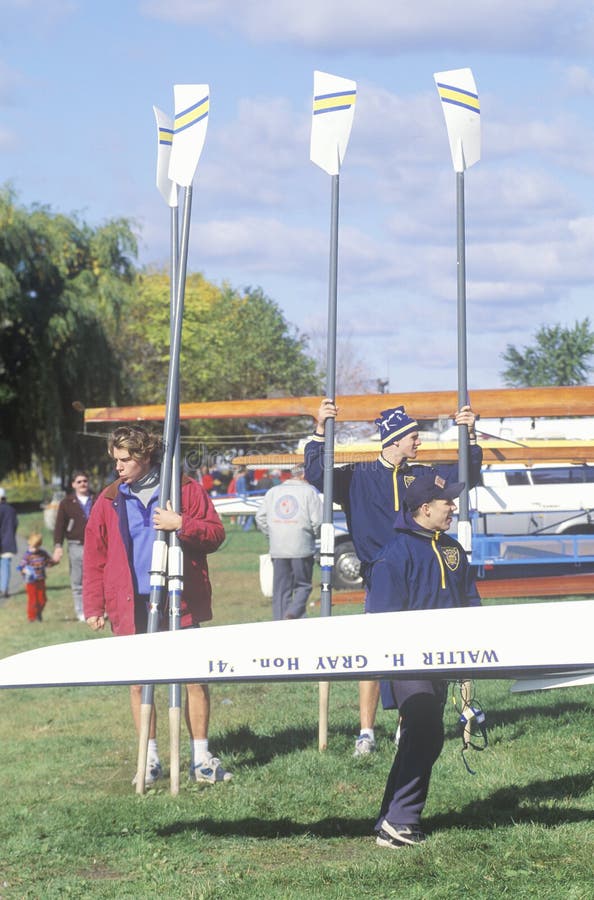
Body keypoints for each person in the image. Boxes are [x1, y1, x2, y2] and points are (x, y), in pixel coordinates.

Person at [304, 399, 482, 756]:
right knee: (376, 650)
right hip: (382, 574)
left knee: (417, 648)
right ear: (395, 439)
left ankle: (408, 722)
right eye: (414, 436)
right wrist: (320, 431)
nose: (419, 442)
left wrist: (470, 433)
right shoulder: (359, 477)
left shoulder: (423, 476)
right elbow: (315, 473)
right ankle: (366, 731)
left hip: (422, 572)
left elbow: (465, 473)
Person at [83, 425, 232, 787]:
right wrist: (93, 605)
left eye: (124, 459)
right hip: (131, 601)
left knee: (193, 678)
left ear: (144, 456)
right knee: (139, 682)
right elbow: (95, 555)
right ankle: (148, 760)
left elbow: (215, 534)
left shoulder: (183, 490)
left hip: (178, 596)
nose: (117, 466)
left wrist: (181, 523)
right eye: (115, 460)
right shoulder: (108, 499)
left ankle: (200, 758)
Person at [367, 472, 480, 848]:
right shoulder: (393, 556)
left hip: (444, 663)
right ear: (424, 508)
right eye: (446, 501)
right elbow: (380, 621)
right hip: (407, 664)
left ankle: (390, 816)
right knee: (427, 733)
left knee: (420, 737)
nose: (453, 506)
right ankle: (401, 822)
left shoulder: (453, 549)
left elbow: (470, 603)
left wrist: (471, 656)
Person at [255, 465, 323, 620]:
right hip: (302, 546)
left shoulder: (273, 492)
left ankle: (280, 620)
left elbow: (260, 517)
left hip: (278, 548)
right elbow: (318, 521)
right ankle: (293, 612)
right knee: (303, 586)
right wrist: (313, 535)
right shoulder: (309, 492)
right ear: (304, 474)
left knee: (281, 590)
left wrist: (272, 534)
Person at [53, 470, 94, 621]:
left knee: (97, 578)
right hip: (76, 545)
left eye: (85, 481)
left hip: (96, 546)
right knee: (78, 580)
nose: (83, 484)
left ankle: (98, 610)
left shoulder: (96, 498)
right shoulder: (66, 503)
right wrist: (58, 546)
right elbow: (59, 526)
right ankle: (81, 611)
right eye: (79, 482)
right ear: (73, 485)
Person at [18, 531, 58, 622]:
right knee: (33, 600)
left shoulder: (42, 553)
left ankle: (38, 613)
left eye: (36, 546)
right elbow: (21, 566)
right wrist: (25, 571)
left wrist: (55, 561)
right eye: (32, 546)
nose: (34, 549)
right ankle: (32, 617)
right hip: (31, 581)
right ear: (29, 544)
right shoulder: (27, 555)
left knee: (42, 599)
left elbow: (49, 563)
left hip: (41, 579)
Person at [0, 487, 18, 598]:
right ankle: (4, 588)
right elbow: (15, 524)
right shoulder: (12, 510)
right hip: (8, 542)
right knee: (5, 565)